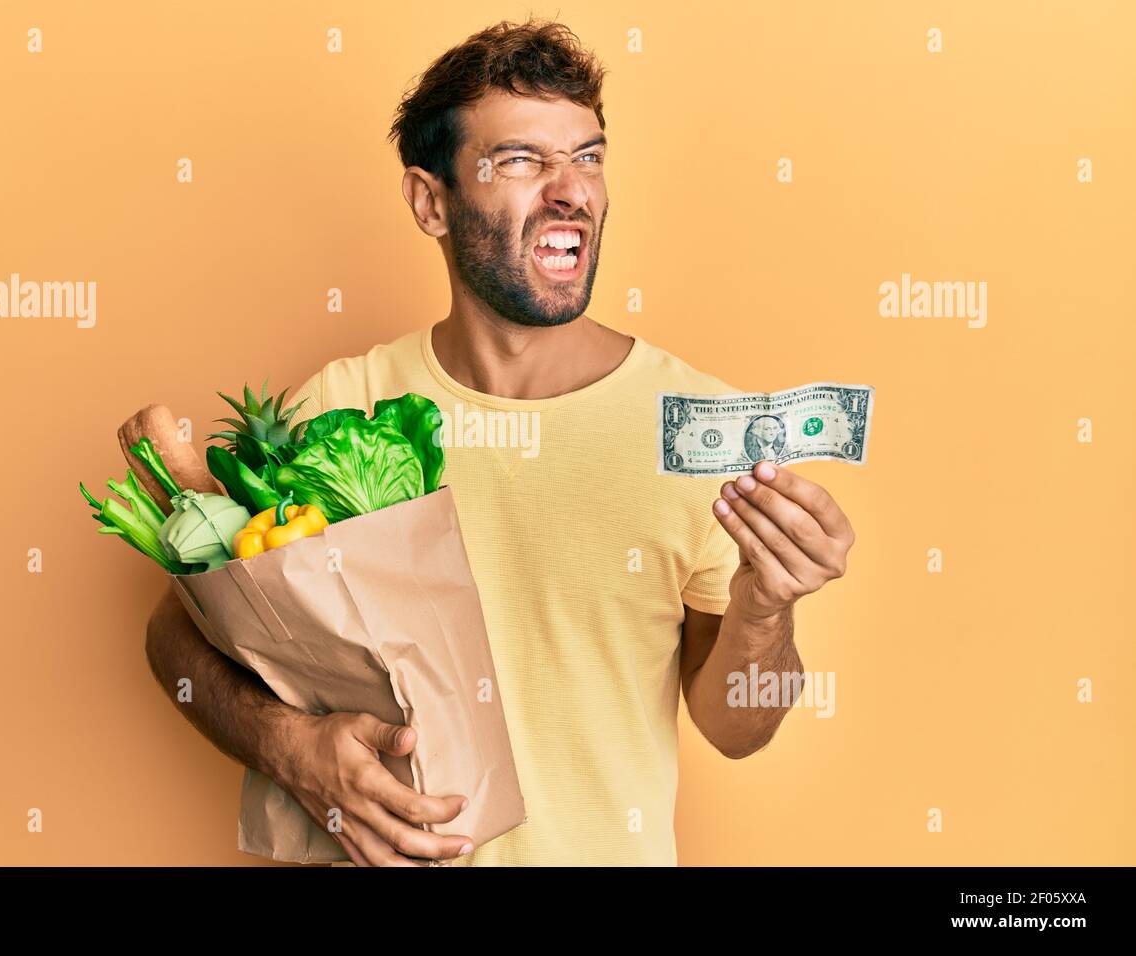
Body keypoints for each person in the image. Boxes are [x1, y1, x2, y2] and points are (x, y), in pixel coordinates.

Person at [145, 18, 856, 867]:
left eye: (588, 157)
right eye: (522, 160)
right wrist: (287, 748)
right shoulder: (340, 410)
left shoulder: (696, 428)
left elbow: (739, 728)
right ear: (430, 201)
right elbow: (174, 635)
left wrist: (768, 607)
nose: (572, 191)